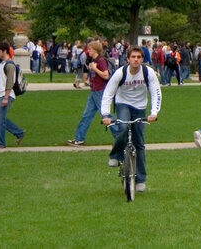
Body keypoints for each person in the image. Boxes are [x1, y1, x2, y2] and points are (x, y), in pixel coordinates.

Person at [101, 46, 162, 192]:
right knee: (122, 127)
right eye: (133, 57)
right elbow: (108, 93)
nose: (136, 60)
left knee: (139, 142)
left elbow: (156, 92)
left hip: (140, 107)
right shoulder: (120, 73)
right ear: (127, 59)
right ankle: (115, 155)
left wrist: (154, 112)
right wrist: (106, 114)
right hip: (123, 104)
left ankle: (140, 180)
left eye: (139, 57)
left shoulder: (148, 72)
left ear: (142, 59)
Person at [67, 41, 114, 146]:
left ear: (96, 50)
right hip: (94, 91)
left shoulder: (101, 61)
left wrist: (95, 68)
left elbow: (106, 75)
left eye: (90, 49)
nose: (88, 51)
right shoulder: (94, 60)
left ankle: (121, 136)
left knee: (106, 115)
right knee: (86, 115)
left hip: (100, 91)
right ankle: (79, 138)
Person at [0, 42, 25, 148]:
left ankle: (0, 143)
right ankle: (19, 132)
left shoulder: (9, 65)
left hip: (7, 95)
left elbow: (10, 81)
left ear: (5, 51)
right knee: (1, 119)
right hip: (0, 94)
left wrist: (6, 96)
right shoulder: (1, 64)